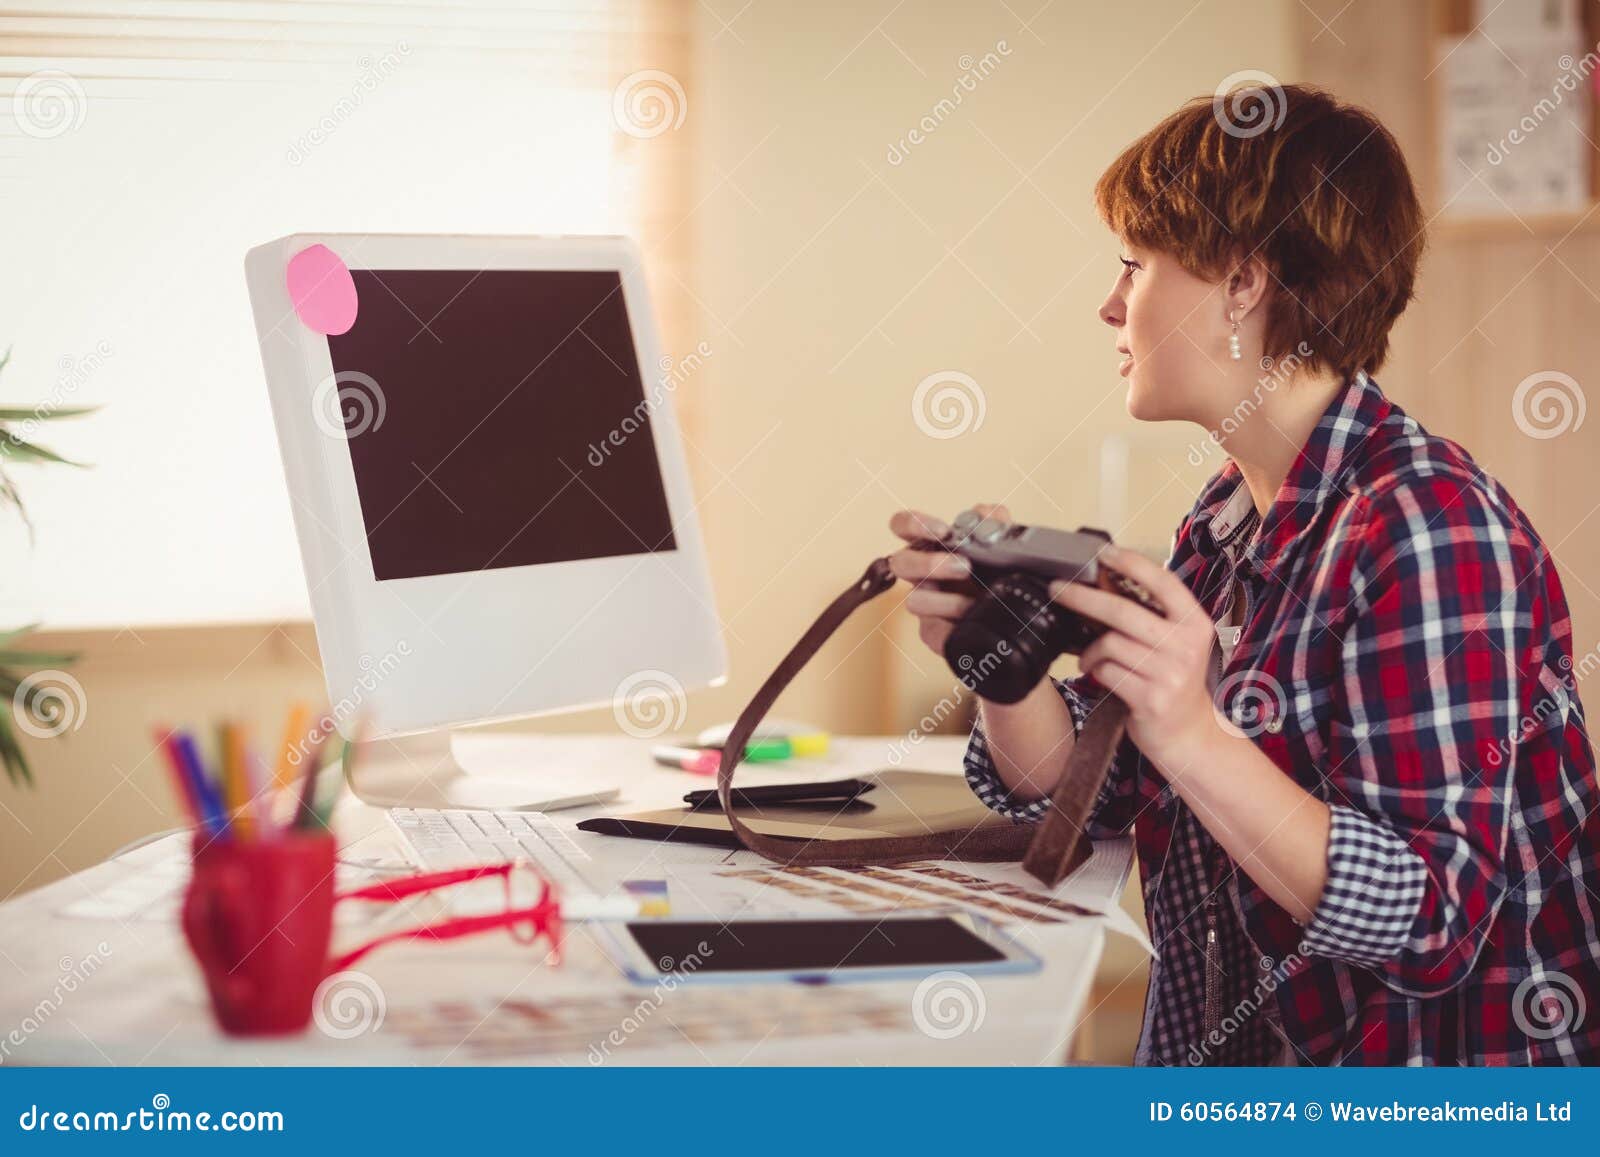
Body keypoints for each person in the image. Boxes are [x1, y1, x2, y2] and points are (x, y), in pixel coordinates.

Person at [889, 84, 1600, 1065]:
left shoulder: (1428, 526)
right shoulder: (1224, 523)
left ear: (1241, 283)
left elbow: (1432, 922)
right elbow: (1083, 796)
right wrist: (1001, 672)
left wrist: (1190, 729)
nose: (1108, 304)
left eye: (1134, 267)